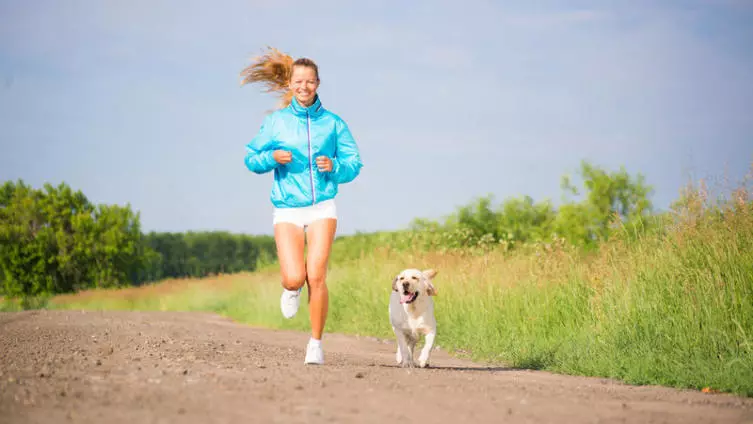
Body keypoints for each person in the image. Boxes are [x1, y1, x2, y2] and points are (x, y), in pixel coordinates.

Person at [240, 48, 363, 365]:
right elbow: (251, 158)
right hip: (288, 208)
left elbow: (353, 163)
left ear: (318, 83)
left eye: (310, 81)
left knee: (317, 276)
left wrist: (333, 167)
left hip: (322, 205)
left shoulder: (333, 124)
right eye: (299, 81)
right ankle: (291, 289)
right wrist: (271, 158)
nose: (304, 87)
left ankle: (316, 344)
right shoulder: (277, 122)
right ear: (291, 85)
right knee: (295, 277)